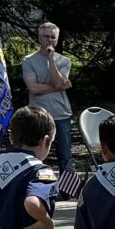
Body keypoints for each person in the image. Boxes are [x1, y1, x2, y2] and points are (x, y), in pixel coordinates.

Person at [21, 22, 76, 173]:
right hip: (38, 115)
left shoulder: (64, 61)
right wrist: (58, 87)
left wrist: (51, 60)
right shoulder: (28, 61)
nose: (50, 40)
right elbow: (33, 88)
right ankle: (36, 185)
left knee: (65, 156)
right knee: (35, 155)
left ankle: (69, 191)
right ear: (40, 38)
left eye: (53, 37)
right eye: (46, 37)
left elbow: (58, 81)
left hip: (61, 114)